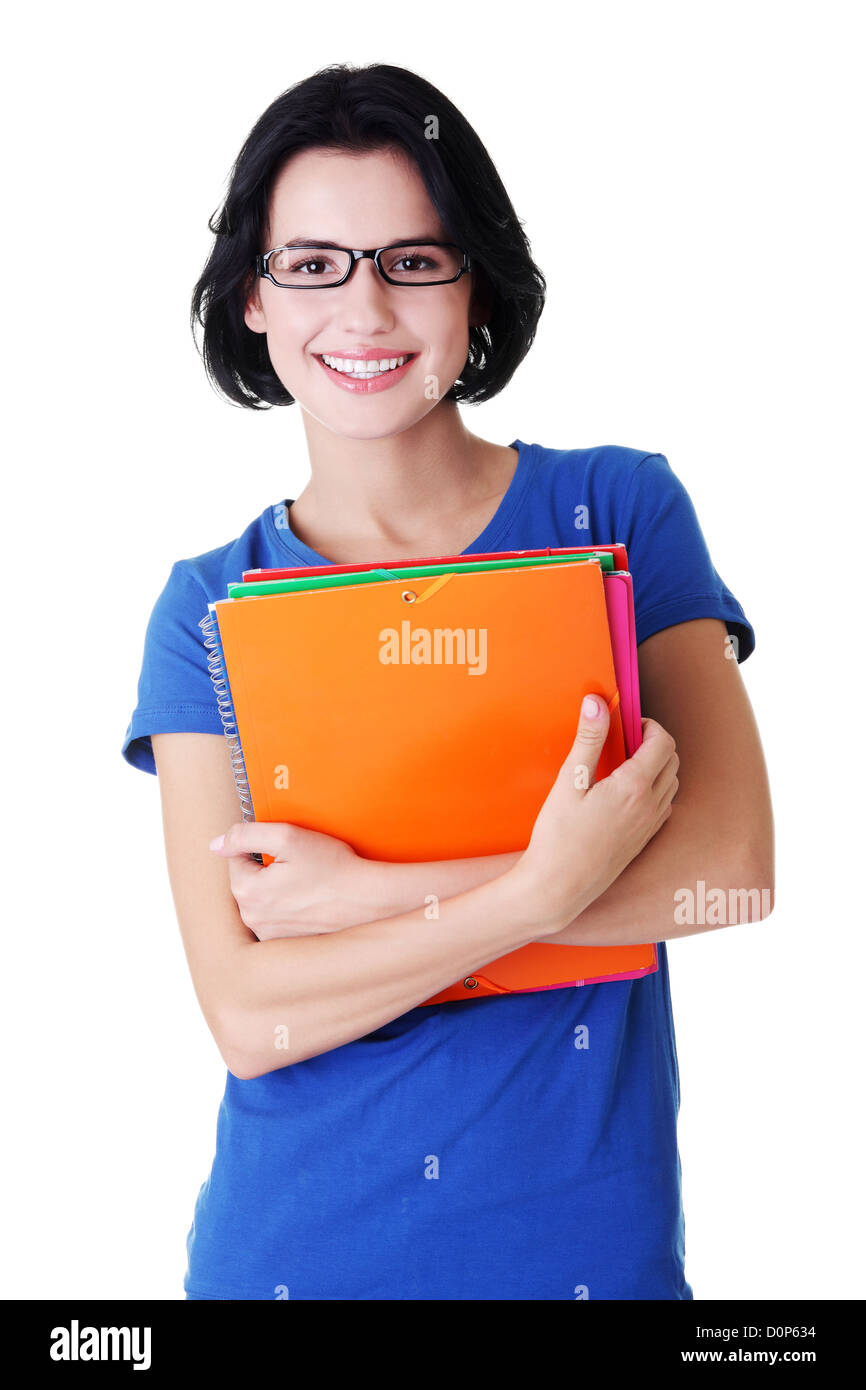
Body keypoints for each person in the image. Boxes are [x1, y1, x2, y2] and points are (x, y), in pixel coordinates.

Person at [121, 62, 774, 1301]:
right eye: (311, 264)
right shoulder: (204, 606)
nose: (362, 311)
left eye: (411, 261)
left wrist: (370, 899)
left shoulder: (616, 508)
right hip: (290, 1257)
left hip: (583, 1258)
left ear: (471, 281)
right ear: (253, 301)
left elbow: (728, 877)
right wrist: (552, 885)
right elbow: (247, 1011)